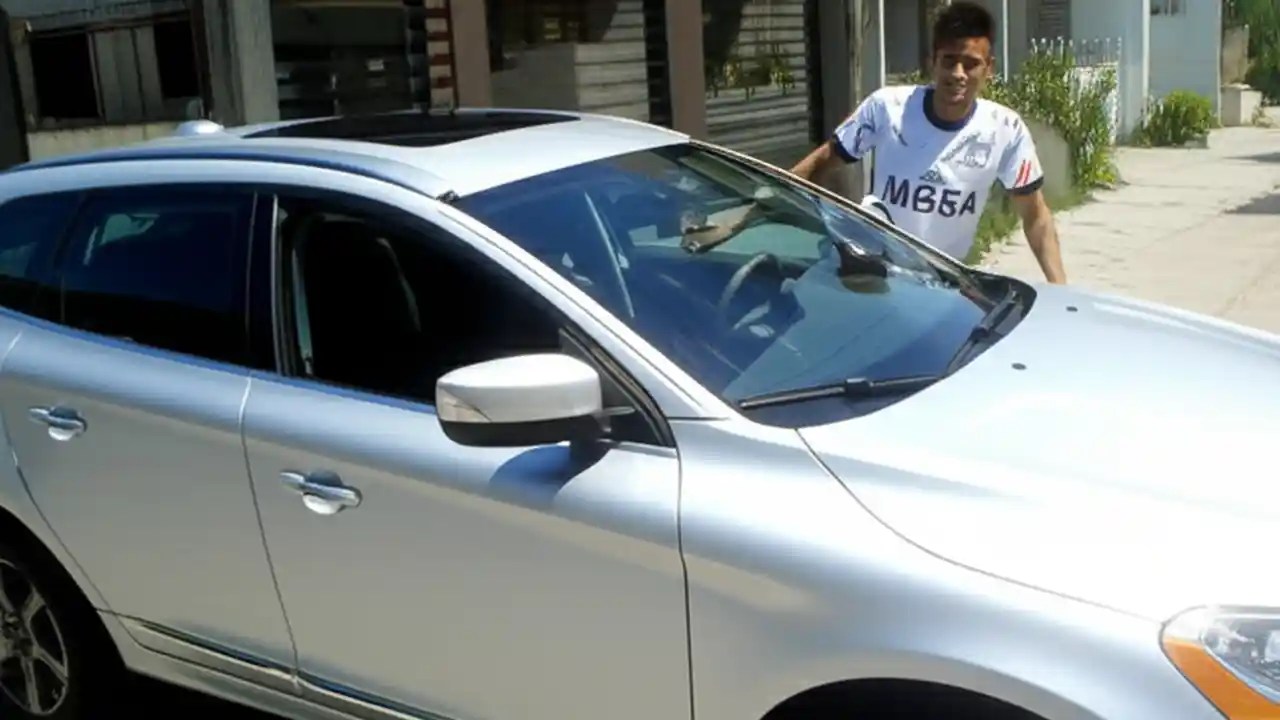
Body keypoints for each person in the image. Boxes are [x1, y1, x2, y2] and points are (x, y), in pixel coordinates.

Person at [787, 1, 1067, 284]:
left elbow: (1035, 216)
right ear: (932, 61)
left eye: (971, 64)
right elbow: (820, 163)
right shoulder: (886, 108)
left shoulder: (1006, 130)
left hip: (944, 285)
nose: (958, 73)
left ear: (988, 69)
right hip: (877, 276)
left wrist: (1060, 289)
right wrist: (764, 207)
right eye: (949, 60)